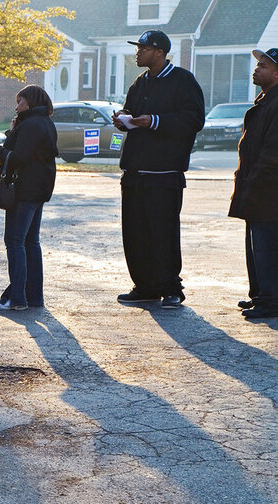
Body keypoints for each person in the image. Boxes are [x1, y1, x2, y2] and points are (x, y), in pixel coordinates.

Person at [112, 30, 204, 309]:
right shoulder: (139, 83)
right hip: (135, 172)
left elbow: (193, 120)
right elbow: (131, 113)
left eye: (143, 48)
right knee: (135, 232)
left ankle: (170, 287)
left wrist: (152, 121)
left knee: (162, 231)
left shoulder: (182, 81)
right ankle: (145, 286)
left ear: (160, 52)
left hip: (164, 174)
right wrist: (123, 120)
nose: (137, 53)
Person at [0, 85, 58, 311]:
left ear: (30, 102)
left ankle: (17, 297)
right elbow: (28, 151)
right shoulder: (44, 122)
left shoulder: (31, 125)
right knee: (31, 242)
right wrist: (12, 132)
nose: (16, 106)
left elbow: (18, 157)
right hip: (39, 191)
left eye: (20, 101)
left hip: (24, 191)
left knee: (15, 242)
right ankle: (34, 296)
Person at [229, 48, 278, 319]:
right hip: (257, 187)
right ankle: (260, 295)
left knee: (268, 245)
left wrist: (257, 180)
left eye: (264, 65)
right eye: (258, 64)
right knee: (256, 244)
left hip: (269, 189)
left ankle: (271, 301)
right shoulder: (265, 100)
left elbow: (272, 152)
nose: (256, 69)